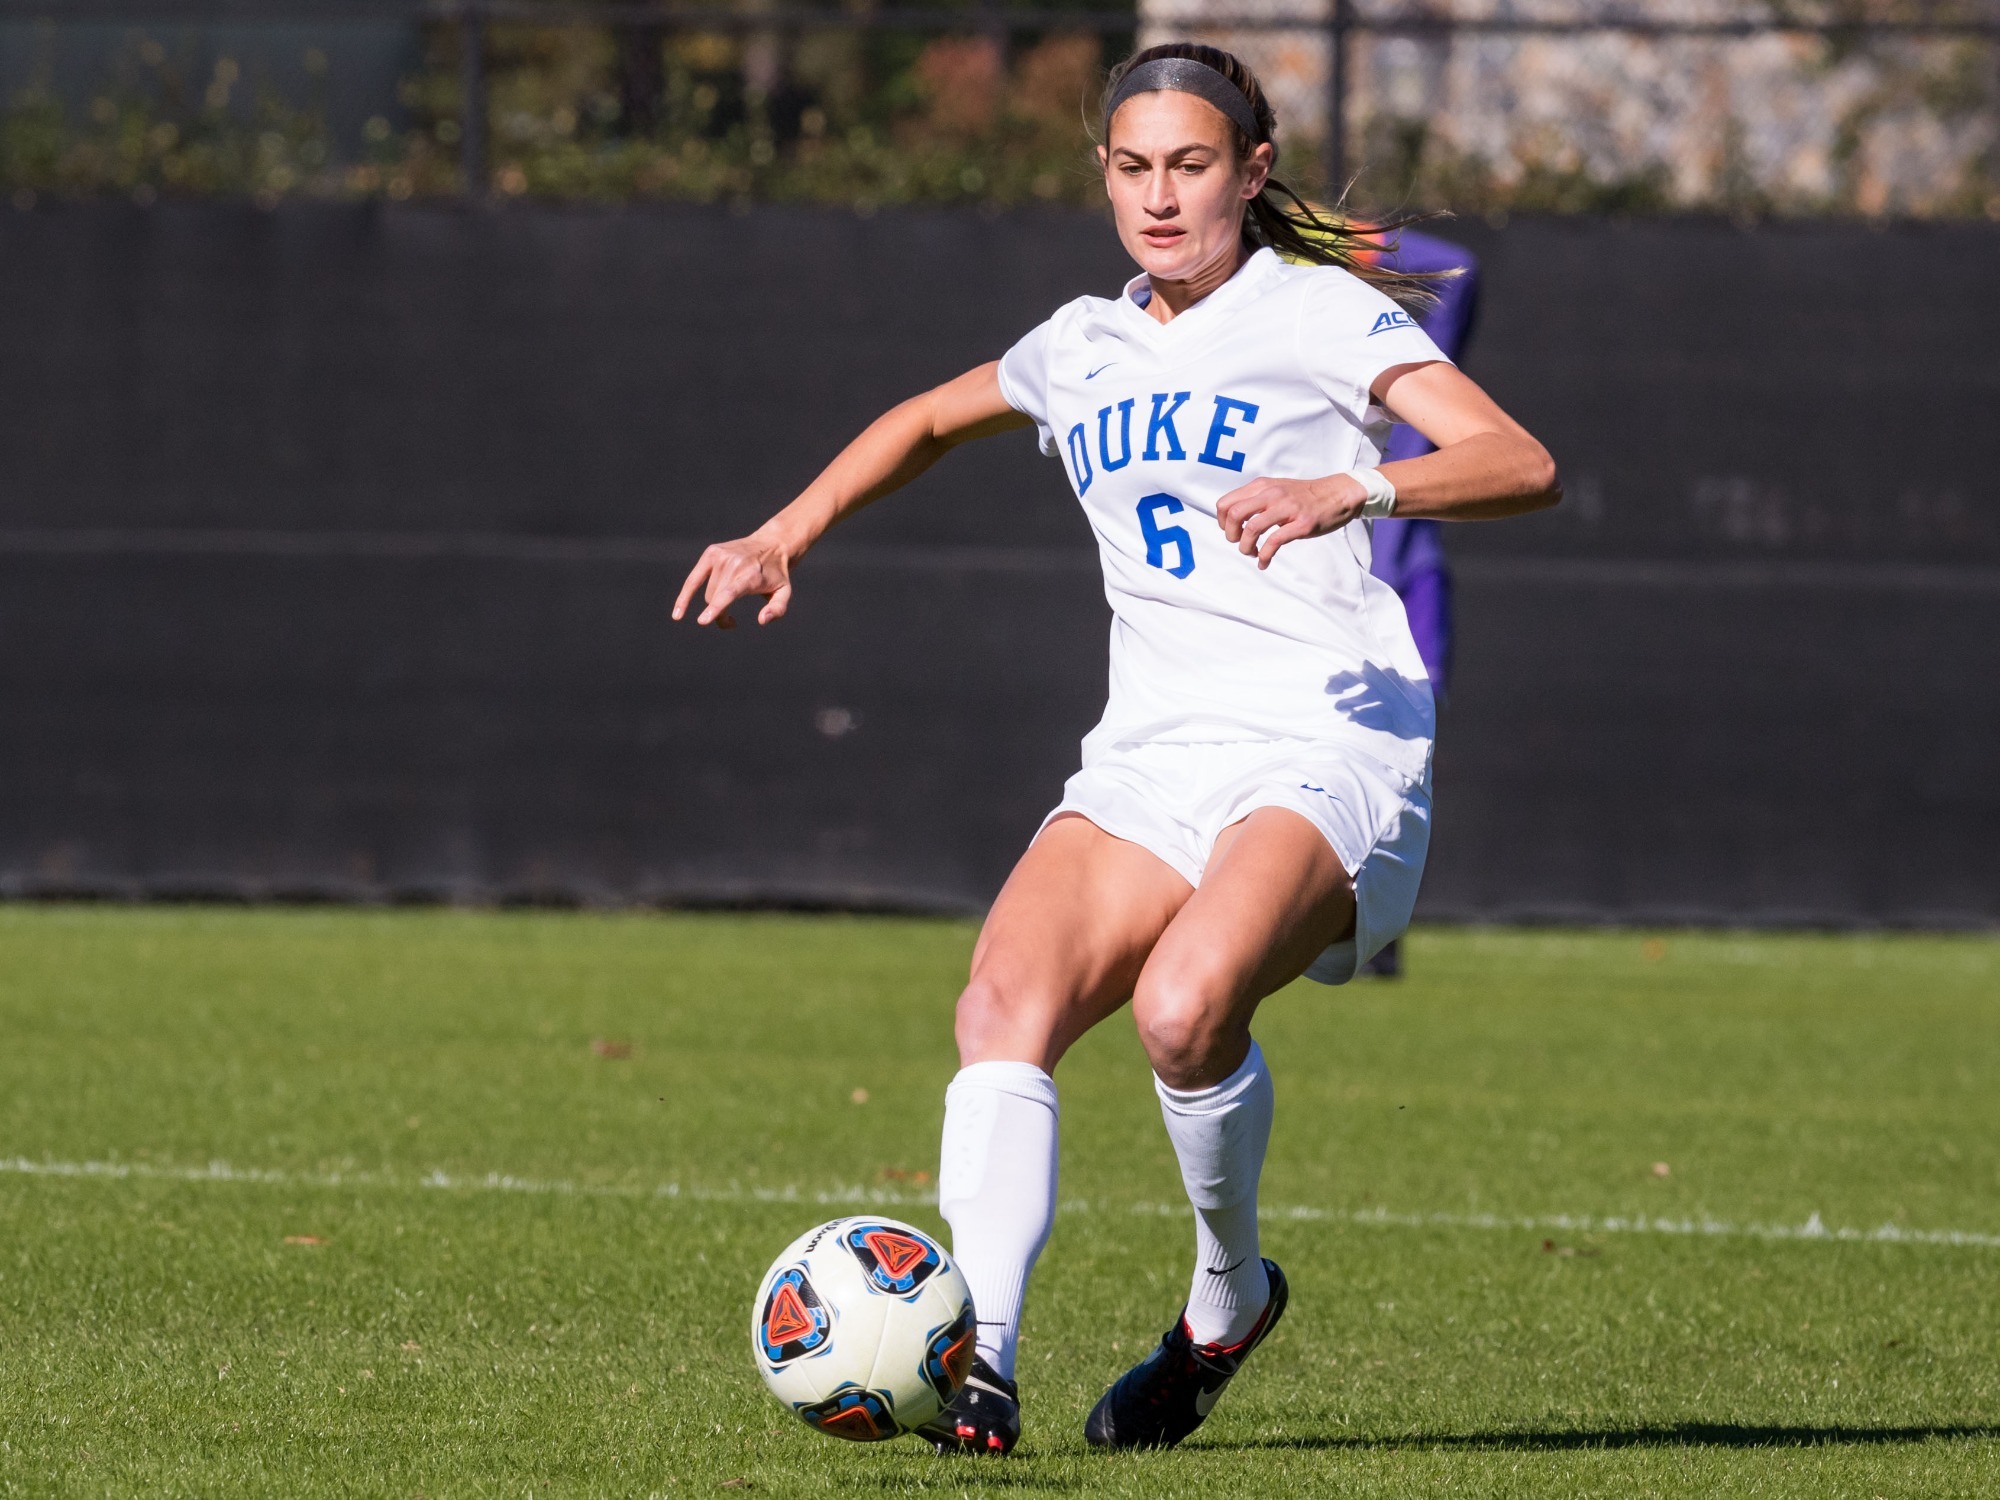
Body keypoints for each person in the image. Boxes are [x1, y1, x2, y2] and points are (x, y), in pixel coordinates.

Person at [674, 41, 1560, 1456]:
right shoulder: (1081, 343)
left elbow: (1522, 461)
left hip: (1325, 735)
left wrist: (1358, 485)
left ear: (1251, 172)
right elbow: (924, 418)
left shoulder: (1321, 314)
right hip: (1153, 752)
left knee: (1182, 1009)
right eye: (1134, 168)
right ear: (1104, 174)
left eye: (1193, 166)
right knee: (1001, 1003)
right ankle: (986, 1361)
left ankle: (1226, 1301)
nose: (1161, 198)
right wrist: (787, 528)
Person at [1353, 227, 1480, 977]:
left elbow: (1460, 272)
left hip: (1407, 576)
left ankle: (1381, 920)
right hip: (1320, 594)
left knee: (1411, 745)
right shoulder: (1282, 356)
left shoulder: (1415, 382)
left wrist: (1355, 241)